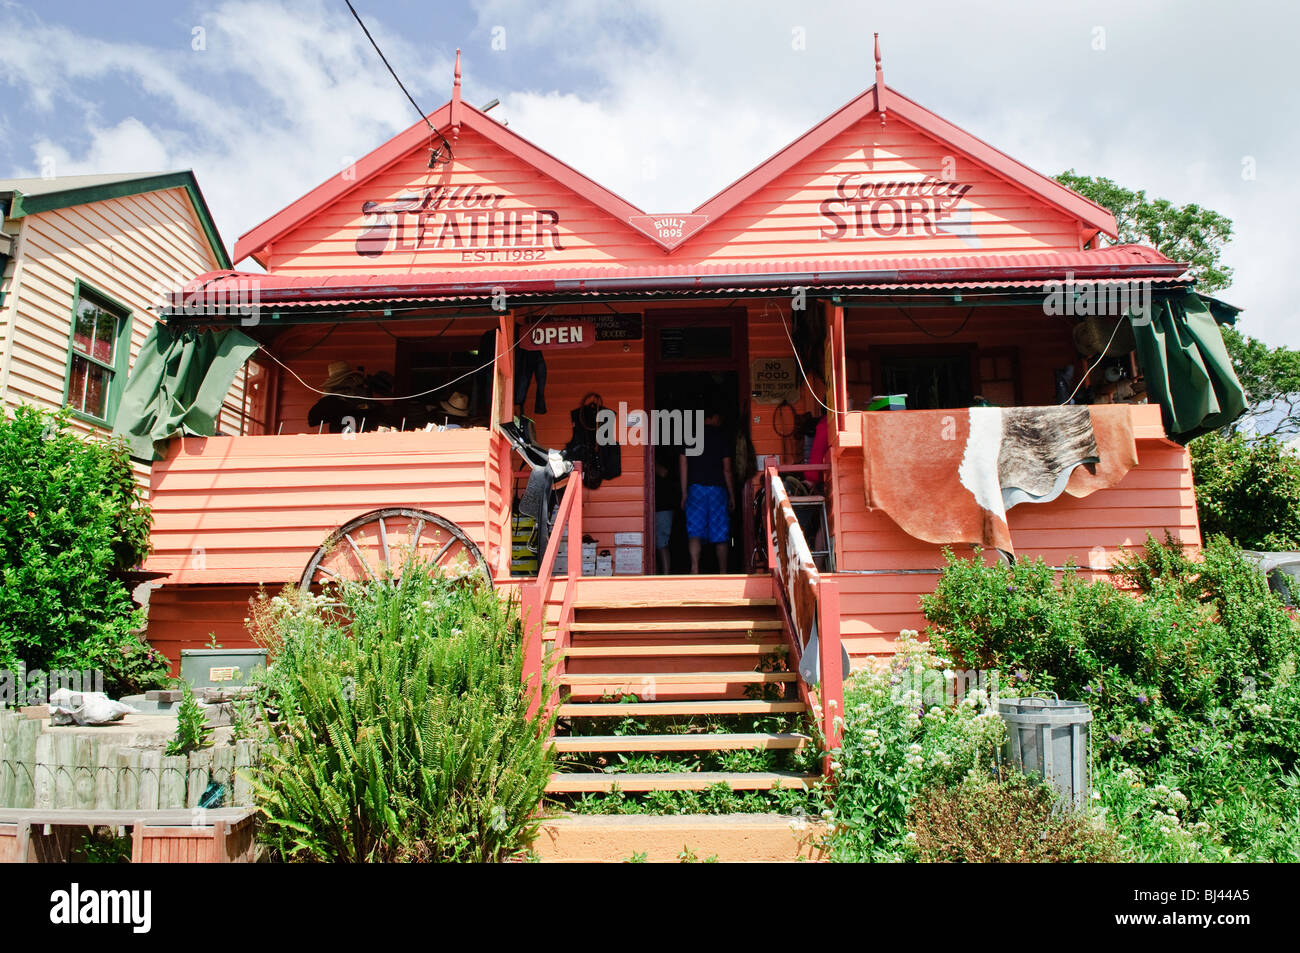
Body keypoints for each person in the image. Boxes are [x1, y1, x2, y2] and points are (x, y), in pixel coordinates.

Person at [679, 408, 734, 574]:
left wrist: (684, 493)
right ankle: (723, 572)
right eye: (719, 418)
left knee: (694, 532)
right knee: (721, 532)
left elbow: (683, 465)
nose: (721, 421)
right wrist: (732, 495)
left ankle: (694, 568)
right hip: (717, 490)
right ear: (713, 416)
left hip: (696, 489)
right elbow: (727, 469)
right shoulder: (721, 437)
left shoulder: (690, 436)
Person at [653, 452, 677, 574]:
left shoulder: (666, 457)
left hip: (664, 507)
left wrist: (653, 462)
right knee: (656, 543)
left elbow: (663, 472)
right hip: (655, 507)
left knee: (662, 543)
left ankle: (666, 575)